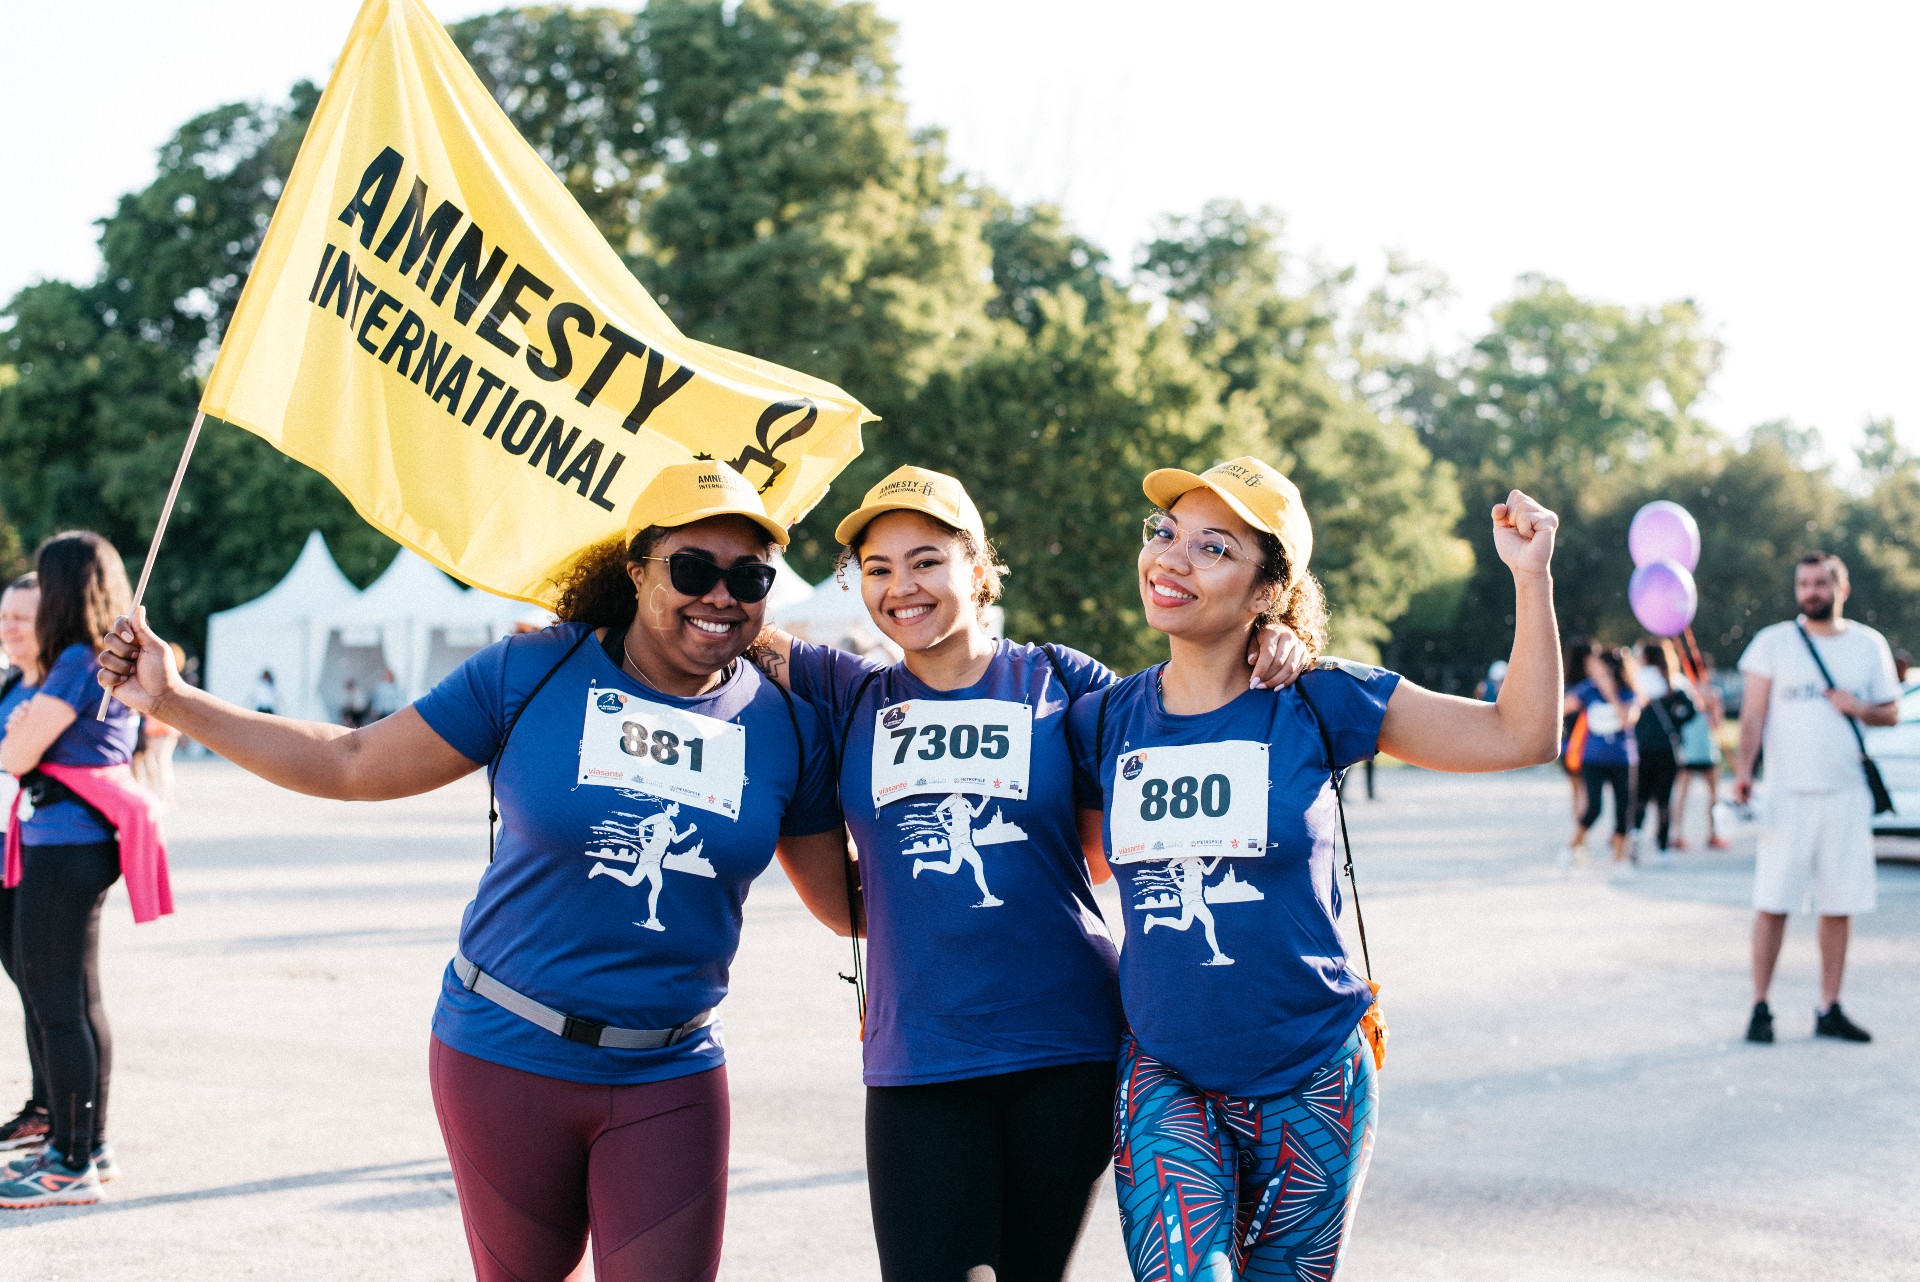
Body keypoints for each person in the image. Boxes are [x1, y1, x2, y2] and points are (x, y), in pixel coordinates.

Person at [95, 461, 851, 1278]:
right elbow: (352, 762)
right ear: (636, 571)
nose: (720, 595)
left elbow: (847, 907)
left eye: (749, 576)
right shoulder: (532, 673)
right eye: (692, 569)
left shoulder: (786, 725)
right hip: (505, 1055)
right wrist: (172, 701)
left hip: (670, 1069)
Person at [746, 465, 1309, 1282]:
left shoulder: (1061, 680)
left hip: (1067, 1047)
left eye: (926, 560)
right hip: (921, 1057)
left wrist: (1275, 636)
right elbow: (725, 620)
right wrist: (596, 621)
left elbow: (1177, 728)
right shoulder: (849, 690)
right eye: (878, 568)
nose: (902, 586)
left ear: (978, 569)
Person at [1071, 457, 1560, 1281]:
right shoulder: (1103, 720)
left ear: (1268, 591)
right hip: (1167, 1071)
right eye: (1165, 533)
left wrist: (1531, 578)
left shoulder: (1321, 700)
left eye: (1213, 548)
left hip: (1317, 1078)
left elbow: (1522, 735)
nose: (1172, 559)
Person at [0, 534, 149, 1207]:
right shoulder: (102, 658)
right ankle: (88, 1144)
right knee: (78, 1001)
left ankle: (70, 1159)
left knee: (59, 1003)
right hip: (79, 840)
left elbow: (16, 755)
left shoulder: (74, 662)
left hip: (65, 842)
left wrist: (23, 734)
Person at [1734, 552, 1898, 1046]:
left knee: (1838, 905)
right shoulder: (1773, 643)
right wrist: (1744, 770)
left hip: (1846, 796)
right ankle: (1760, 1007)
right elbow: (1753, 716)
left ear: (1840, 589)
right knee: (1773, 902)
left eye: (1821, 583)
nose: (1811, 591)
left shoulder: (1869, 646)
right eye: (1804, 583)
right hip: (1786, 795)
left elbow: (1890, 712)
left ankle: (1830, 1007)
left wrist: (1859, 707)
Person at [0, 573, 49, 1155]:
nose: (9, 627)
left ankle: (53, 1111)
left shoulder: (54, 689)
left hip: (30, 848)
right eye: (4, 616)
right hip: (4, 845)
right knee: (23, 982)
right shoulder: (13, 681)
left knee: (40, 985)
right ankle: (42, 1105)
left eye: (21, 617)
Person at [1564, 645, 1638, 866]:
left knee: (1624, 810)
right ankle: (1575, 844)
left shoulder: (1628, 691)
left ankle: (1619, 858)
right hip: (1593, 759)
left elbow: (1628, 719)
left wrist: (1611, 695)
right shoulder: (1588, 689)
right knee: (1593, 808)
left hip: (1622, 759)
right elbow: (1564, 707)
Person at [1630, 641, 1697, 866]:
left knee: (1640, 796)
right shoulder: (1674, 683)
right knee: (1663, 800)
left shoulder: (1638, 681)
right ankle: (1662, 848)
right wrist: (1675, 720)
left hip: (1642, 748)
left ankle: (1635, 835)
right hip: (1668, 749)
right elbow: (1691, 711)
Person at [1671, 651, 1731, 851]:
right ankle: (1710, 834)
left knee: (1685, 793)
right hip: (1703, 749)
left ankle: (1679, 833)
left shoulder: (1686, 692)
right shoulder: (1702, 692)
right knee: (1710, 795)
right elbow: (1717, 723)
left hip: (1692, 748)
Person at [1559, 637, 1594, 825]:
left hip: (1568, 744)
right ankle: (1582, 830)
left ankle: (1578, 826)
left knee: (1576, 789)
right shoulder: (1592, 688)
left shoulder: (1564, 685)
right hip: (1587, 745)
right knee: (1585, 790)